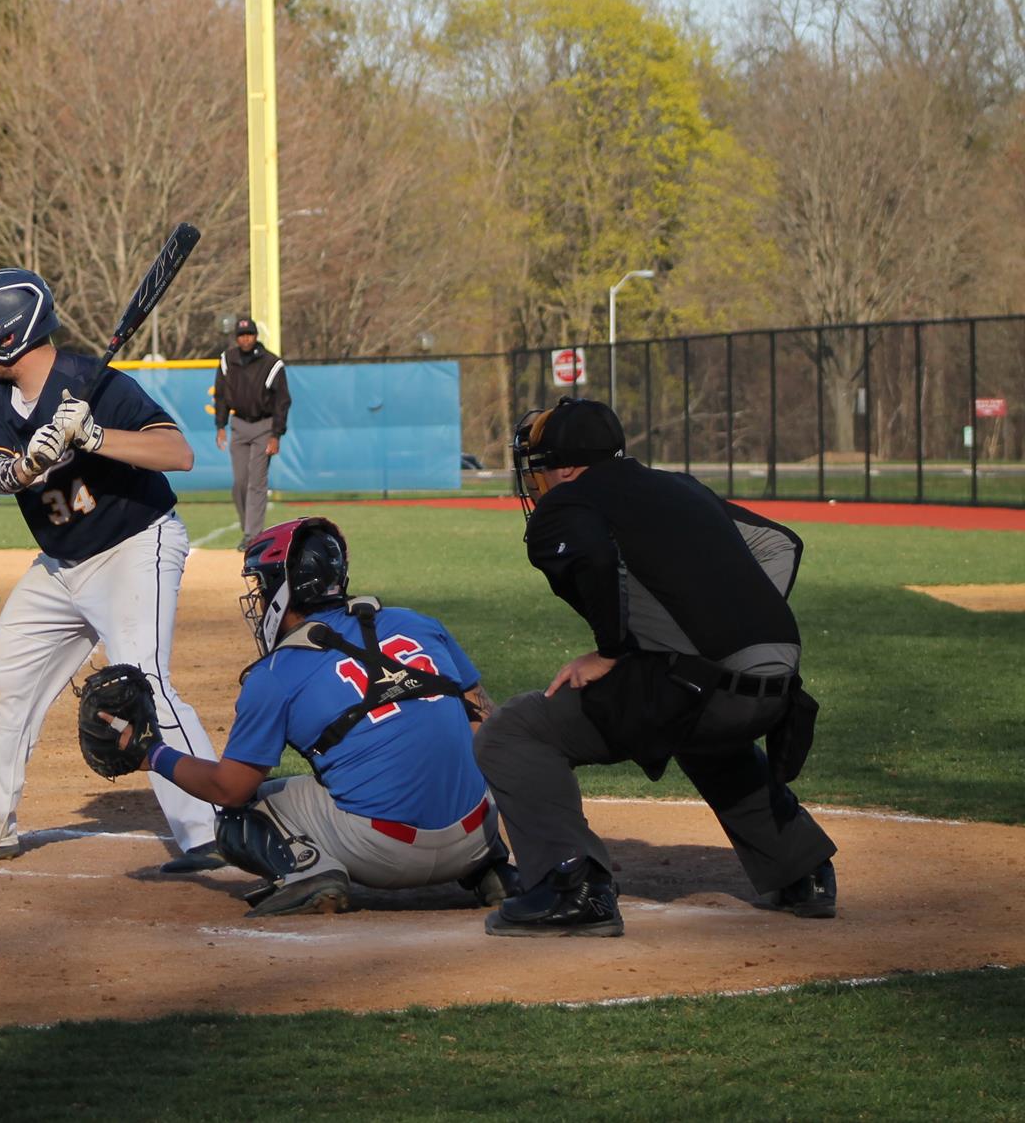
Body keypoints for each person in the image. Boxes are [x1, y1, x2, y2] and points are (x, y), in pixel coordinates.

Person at [475, 397, 837, 938]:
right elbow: (781, 543)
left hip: (704, 687)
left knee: (513, 731)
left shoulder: (568, 502)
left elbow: (595, 557)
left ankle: (573, 889)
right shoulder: (679, 485)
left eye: (541, 466)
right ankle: (803, 872)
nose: (536, 482)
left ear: (569, 467)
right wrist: (735, 621)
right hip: (777, 683)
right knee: (692, 717)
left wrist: (612, 651)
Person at [0, 268, 224, 870]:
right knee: (3, 676)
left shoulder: (94, 384)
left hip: (136, 545)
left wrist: (95, 435)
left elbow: (177, 452)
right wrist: (29, 465)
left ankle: (208, 832)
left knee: (144, 682)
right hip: (61, 562)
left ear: (11, 333)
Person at [97, 516, 515, 917]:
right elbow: (489, 728)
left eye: (262, 587)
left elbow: (228, 788)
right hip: (476, 836)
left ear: (282, 589)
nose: (259, 600)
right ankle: (491, 870)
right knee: (467, 749)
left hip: (383, 855)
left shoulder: (276, 674)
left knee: (243, 813)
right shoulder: (418, 624)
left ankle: (312, 872)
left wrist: (151, 753)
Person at [212, 317, 291, 549]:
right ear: (236, 337)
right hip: (239, 425)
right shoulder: (228, 359)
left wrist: (276, 434)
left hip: (263, 426)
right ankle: (249, 529)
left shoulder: (271, 363)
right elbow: (221, 395)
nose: (245, 338)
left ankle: (252, 536)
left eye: (249, 334)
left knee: (256, 482)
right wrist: (220, 426)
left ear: (256, 336)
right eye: (241, 335)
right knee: (240, 483)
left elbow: (282, 401)